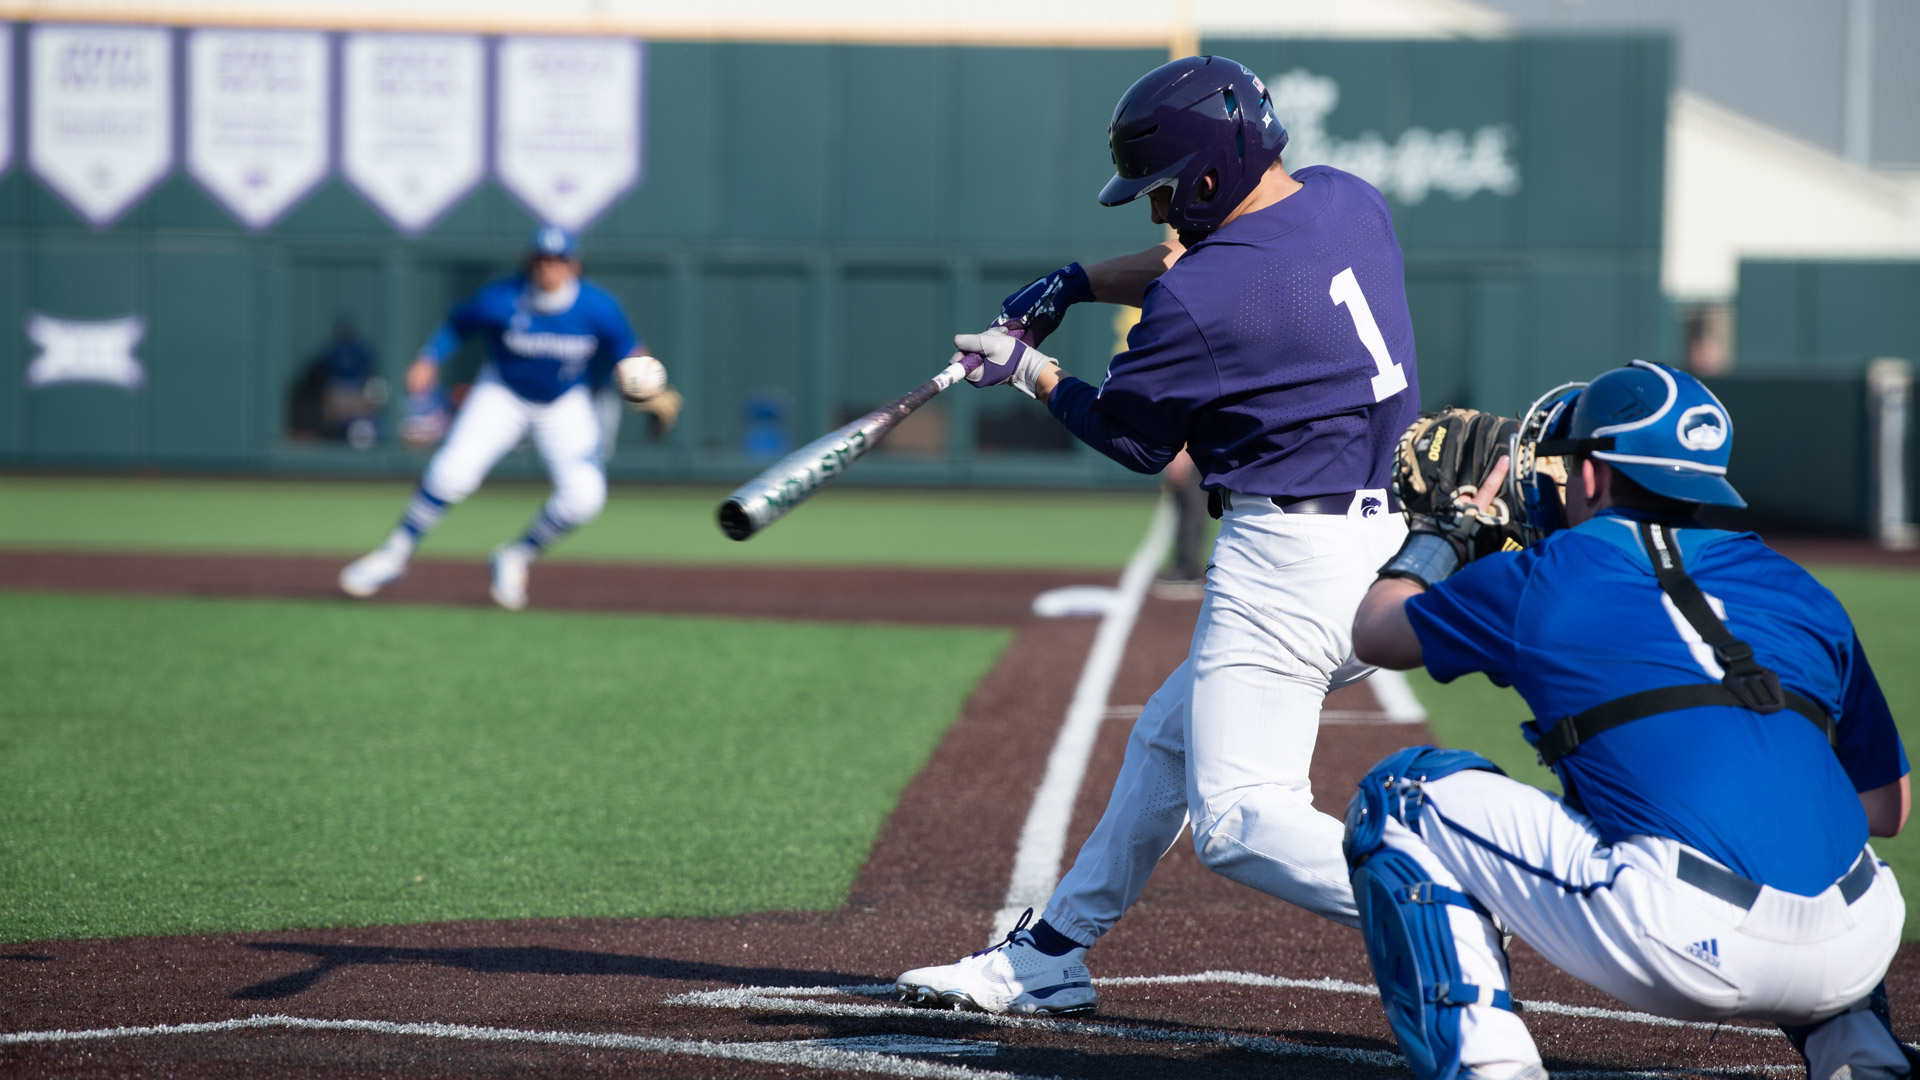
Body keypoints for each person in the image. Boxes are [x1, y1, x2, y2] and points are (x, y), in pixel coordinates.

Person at [894, 54, 1420, 1016]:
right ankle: (1050, 952)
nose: (1156, 213)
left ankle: (1452, 906)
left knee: (1239, 821)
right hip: (1380, 550)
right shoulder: (1349, 200)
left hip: (1283, 569)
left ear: (1211, 174)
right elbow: (1214, 264)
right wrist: (1076, 282)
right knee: (1166, 741)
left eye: (1167, 191)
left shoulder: (1199, 300)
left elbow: (1139, 440)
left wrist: (1027, 371)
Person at [1345, 361, 1912, 1080]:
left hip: (1682, 938)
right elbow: (1887, 809)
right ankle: (1868, 1061)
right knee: (1807, 833)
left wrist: (1445, 534)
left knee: (1399, 798)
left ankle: (1492, 1069)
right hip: (1859, 940)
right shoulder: (1801, 589)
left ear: (1593, 476)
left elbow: (1375, 630)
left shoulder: (1545, 576)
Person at [339, 224, 662, 611]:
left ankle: (515, 556)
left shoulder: (598, 306)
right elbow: (458, 325)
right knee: (450, 473)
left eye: (558, 260)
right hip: (502, 393)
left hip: (564, 402)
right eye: (542, 259)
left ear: (573, 266)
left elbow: (630, 349)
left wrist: (648, 383)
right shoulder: (502, 299)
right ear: (530, 262)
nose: (549, 268)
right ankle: (393, 555)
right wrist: (429, 358)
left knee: (585, 498)